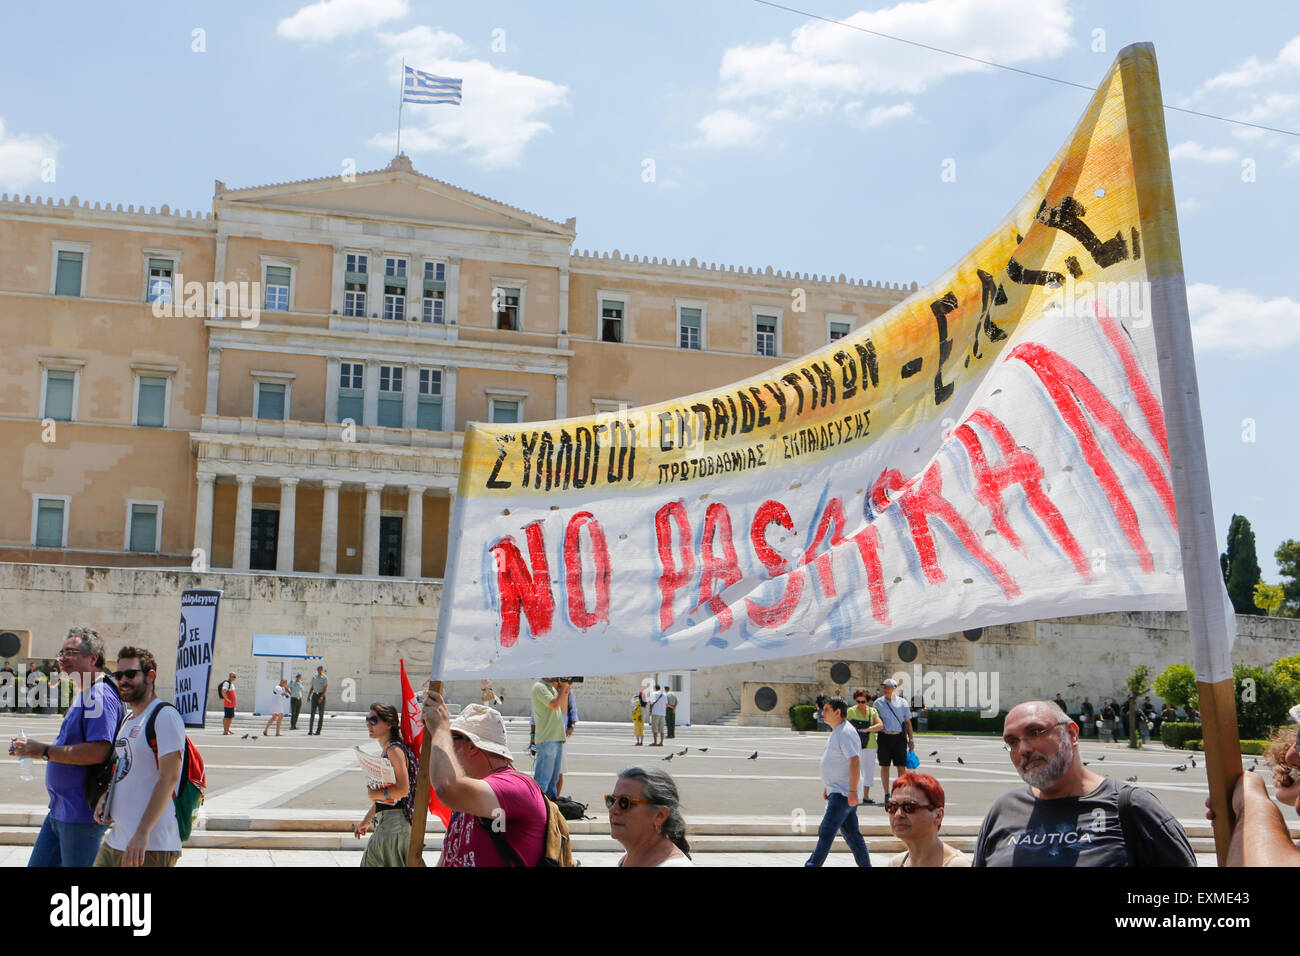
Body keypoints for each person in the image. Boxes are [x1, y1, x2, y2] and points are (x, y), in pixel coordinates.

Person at [974, 700, 1195, 866]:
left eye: (1035, 732)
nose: (1023, 749)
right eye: (1012, 742)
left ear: (1071, 734)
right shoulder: (1002, 811)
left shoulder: (1133, 808)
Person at [9, 627, 123, 867]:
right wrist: (32, 749)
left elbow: (97, 751)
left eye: (71, 652)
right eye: (61, 652)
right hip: (61, 810)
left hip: (80, 814)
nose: (63, 658)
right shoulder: (85, 691)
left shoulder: (99, 696)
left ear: (93, 658)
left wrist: (42, 750)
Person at [421, 697, 547, 867]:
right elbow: (450, 857)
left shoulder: (516, 786)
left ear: (472, 746)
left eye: (452, 739)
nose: (447, 746)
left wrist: (440, 730)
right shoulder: (469, 795)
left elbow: (447, 787)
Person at [92, 646, 184, 867]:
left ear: (150, 676)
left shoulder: (165, 716)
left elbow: (169, 778)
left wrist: (142, 833)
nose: (123, 680)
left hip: (150, 845)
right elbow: (128, 770)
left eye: (131, 674)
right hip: (117, 839)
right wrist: (107, 796)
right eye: (118, 674)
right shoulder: (128, 720)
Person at [805, 696, 871, 867]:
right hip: (839, 791)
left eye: (826, 709)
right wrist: (829, 786)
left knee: (826, 831)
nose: (823, 712)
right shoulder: (838, 730)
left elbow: (855, 761)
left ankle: (811, 864)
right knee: (852, 835)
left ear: (838, 712)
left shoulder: (846, 732)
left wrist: (852, 792)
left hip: (843, 793)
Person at [352, 703, 418, 867]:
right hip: (391, 823)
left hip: (394, 826)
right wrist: (367, 820)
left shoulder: (394, 750)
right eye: (367, 720)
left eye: (373, 720)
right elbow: (389, 799)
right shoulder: (390, 749)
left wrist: (374, 794)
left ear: (389, 724)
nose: (369, 724)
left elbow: (402, 790)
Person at [608, 767, 693, 867]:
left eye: (624, 802)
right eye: (612, 800)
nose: (613, 810)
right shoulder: (628, 859)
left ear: (660, 815)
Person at [887, 772, 970, 867]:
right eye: (892, 807)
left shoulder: (958, 865)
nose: (898, 814)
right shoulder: (896, 863)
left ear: (938, 815)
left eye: (909, 807)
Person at [531, 677, 571, 799]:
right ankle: (537, 809)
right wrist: (563, 687)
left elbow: (563, 709)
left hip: (556, 738)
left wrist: (566, 690)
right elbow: (554, 705)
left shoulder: (552, 689)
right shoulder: (540, 687)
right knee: (542, 781)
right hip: (547, 739)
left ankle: (549, 810)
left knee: (553, 781)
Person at [875, 678, 914, 796]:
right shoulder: (878, 703)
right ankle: (887, 793)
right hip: (884, 737)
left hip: (899, 738)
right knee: (885, 766)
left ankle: (900, 792)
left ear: (894, 689)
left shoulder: (903, 702)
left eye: (887, 687)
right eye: (884, 687)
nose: (885, 689)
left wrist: (911, 739)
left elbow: (908, 722)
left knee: (901, 766)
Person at [845, 688, 883, 804]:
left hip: (870, 744)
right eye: (858, 701)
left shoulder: (872, 712)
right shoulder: (851, 711)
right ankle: (853, 793)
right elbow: (843, 724)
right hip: (855, 745)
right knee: (854, 769)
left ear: (867, 701)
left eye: (863, 701)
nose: (860, 704)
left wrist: (868, 729)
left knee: (869, 771)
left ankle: (866, 796)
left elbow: (880, 725)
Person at [557, 687, 578, 796]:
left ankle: (556, 798)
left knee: (559, 771)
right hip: (546, 734)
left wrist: (572, 725)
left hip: (561, 733)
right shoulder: (544, 687)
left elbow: (573, 708)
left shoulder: (567, 689)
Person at [308, 665, 328, 735]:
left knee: (320, 714)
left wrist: (321, 697)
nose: (320, 670)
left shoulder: (324, 678)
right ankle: (310, 730)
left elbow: (325, 688)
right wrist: (309, 696)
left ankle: (318, 731)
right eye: (319, 669)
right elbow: (312, 687)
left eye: (321, 669)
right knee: (312, 713)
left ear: (322, 670)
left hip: (321, 695)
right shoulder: (314, 677)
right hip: (314, 695)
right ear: (317, 670)